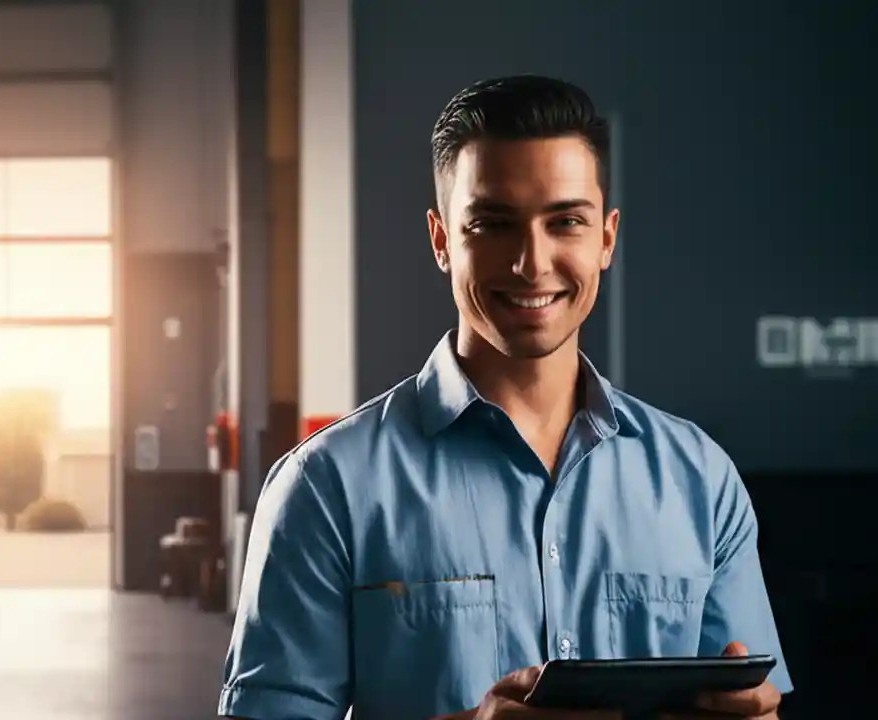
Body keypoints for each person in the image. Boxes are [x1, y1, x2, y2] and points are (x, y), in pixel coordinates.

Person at [218, 75, 792, 720]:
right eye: (493, 224)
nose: (531, 262)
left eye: (566, 222)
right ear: (442, 241)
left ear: (606, 237)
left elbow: (752, 704)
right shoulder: (325, 486)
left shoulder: (700, 479)